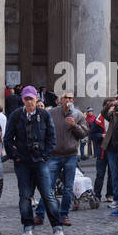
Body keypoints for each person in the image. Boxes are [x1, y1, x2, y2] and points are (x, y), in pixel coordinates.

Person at [4, 86, 63, 235]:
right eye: (26, 98)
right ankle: (27, 225)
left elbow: (51, 137)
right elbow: (8, 139)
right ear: (22, 99)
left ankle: (57, 225)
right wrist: (14, 155)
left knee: (48, 194)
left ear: (37, 98)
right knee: (25, 195)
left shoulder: (44, 115)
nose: (29, 101)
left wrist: (45, 155)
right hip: (22, 162)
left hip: (40, 161)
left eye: (32, 98)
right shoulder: (16, 115)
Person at [36, 92, 87, 227]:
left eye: (70, 98)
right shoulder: (52, 113)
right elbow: (43, 131)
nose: (68, 100)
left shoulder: (78, 114)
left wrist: (74, 125)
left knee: (68, 187)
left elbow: (84, 134)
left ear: (73, 100)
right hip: (54, 155)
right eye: (65, 98)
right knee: (48, 186)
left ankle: (64, 215)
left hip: (71, 155)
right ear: (60, 100)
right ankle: (40, 214)